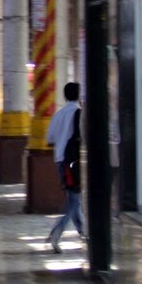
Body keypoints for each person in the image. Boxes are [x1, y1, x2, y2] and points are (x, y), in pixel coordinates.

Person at [45, 82, 85, 253]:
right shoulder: (79, 113)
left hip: (60, 160)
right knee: (74, 200)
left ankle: (84, 233)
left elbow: (50, 138)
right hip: (74, 162)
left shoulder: (59, 114)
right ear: (78, 95)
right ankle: (56, 233)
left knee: (73, 198)